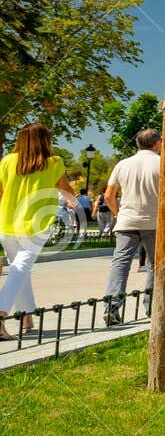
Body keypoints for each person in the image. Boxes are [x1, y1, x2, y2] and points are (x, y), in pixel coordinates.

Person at [0, 124, 76, 338]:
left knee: (19, 269)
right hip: (36, 225)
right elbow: (65, 189)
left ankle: (26, 316)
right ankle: (1, 312)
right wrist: (73, 202)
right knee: (20, 269)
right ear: (45, 140)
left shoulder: (6, 161)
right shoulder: (53, 162)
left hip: (6, 224)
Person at [103, 127, 165, 326]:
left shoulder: (123, 164)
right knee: (157, 265)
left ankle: (111, 307)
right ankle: (152, 306)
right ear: (156, 143)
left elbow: (108, 195)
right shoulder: (163, 163)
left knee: (120, 263)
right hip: (154, 222)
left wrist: (119, 214)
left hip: (126, 221)